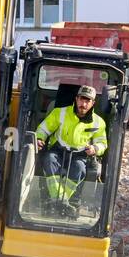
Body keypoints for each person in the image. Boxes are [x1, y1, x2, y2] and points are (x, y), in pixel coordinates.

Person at [35, 83, 107, 214]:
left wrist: (95, 148)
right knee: (49, 159)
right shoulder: (60, 113)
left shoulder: (98, 122)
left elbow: (102, 143)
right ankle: (62, 203)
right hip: (58, 151)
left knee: (79, 168)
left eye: (87, 101)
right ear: (76, 99)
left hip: (79, 155)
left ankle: (60, 201)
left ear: (93, 103)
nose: (83, 104)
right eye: (81, 99)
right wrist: (40, 139)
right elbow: (43, 129)